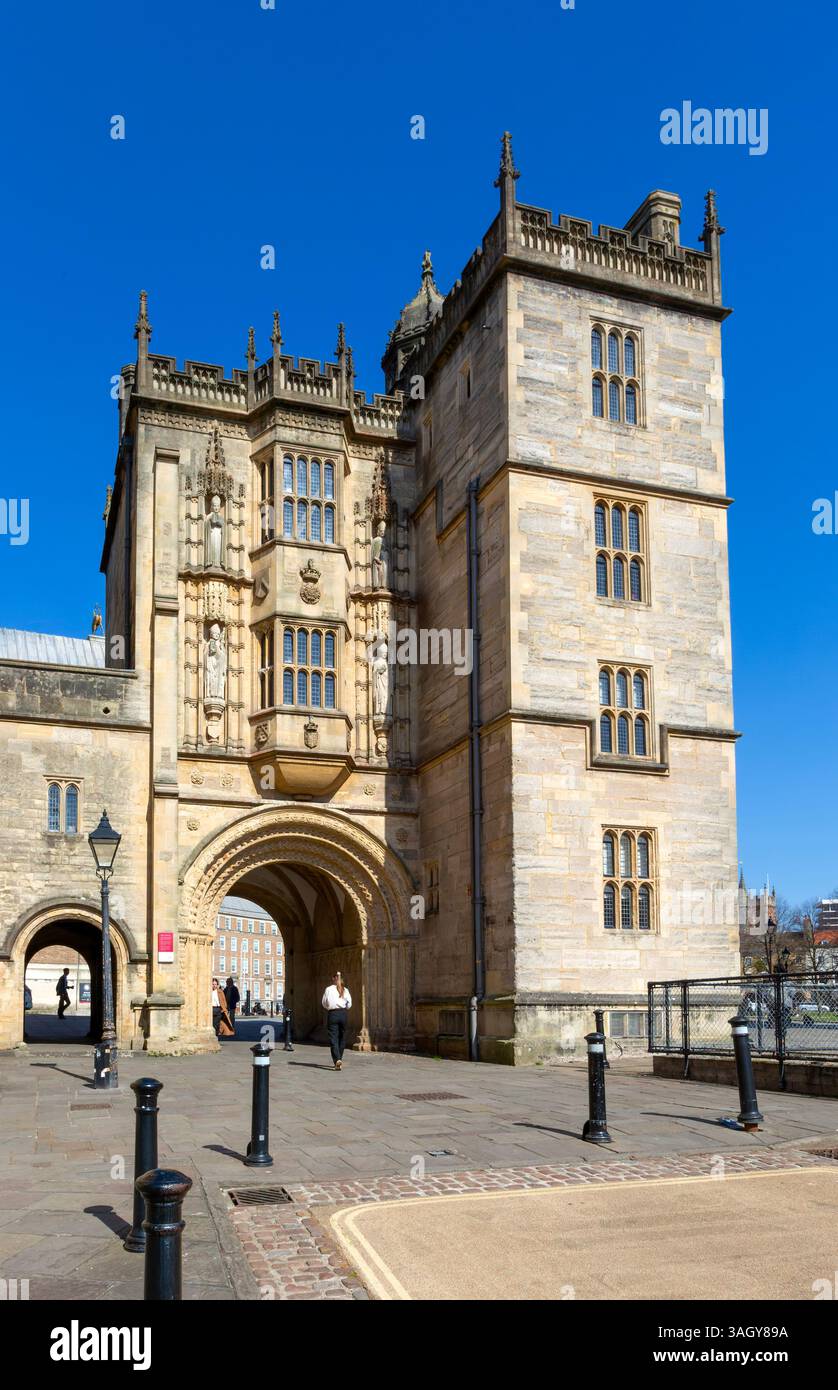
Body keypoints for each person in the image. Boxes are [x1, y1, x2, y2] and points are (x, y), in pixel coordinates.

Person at [322, 972, 352, 1070]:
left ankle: (337, 1059)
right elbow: (349, 1004)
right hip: (343, 1014)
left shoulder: (328, 989)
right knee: (342, 1037)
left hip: (333, 1014)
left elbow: (324, 1003)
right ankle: (339, 1058)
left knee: (333, 1038)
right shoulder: (345, 990)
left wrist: (330, 1007)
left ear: (333, 978)